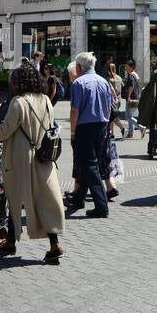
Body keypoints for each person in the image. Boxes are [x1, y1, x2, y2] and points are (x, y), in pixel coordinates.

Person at [0, 63, 65, 263]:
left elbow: (4, 131)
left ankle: (11, 242)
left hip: (20, 158)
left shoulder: (18, 102)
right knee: (44, 200)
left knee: (14, 199)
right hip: (43, 156)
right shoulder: (46, 99)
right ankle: (54, 244)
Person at [65, 52, 111, 219]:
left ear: (79, 67)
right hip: (101, 126)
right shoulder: (103, 81)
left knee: (90, 165)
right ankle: (78, 198)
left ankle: (101, 205)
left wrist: (72, 132)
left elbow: (74, 110)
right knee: (88, 163)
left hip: (85, 127)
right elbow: (109, 107)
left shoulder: (78, 83)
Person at [122, 61, 143, 139]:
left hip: (131, 97)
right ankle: (130, 133)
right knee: (130, 115)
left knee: (128, 116)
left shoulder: (131, 75)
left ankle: (141, 127)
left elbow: (131, 86)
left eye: (126, 66)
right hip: (136, 96)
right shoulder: (135, 75)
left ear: (131, 67)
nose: (125, 68)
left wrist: (128, 96)